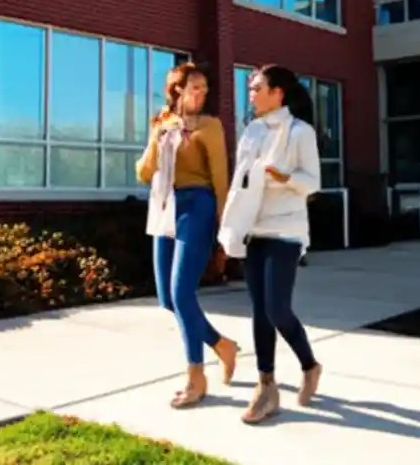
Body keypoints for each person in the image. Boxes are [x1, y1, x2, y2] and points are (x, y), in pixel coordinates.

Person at [136, 62, 240, 409]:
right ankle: (221, 343)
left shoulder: (211, 126)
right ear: (178, 89)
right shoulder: (160, 123)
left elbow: (220, 178)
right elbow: (144, 172)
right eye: (195, 87)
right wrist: (157, 137)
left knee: (182, 293)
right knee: (167, 298)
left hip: (197, 205)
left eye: (205, 88)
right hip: (164, 207)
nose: (202, 93)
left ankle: (196, 377)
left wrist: (225, 227)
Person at [232, 64, 323, 425]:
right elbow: (240, 180)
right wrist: (232, 224)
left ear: (278, 93)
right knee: (258, 311)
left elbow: (312, 181)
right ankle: (266, 387)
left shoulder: (301, 132)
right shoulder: (251, 131)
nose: (251, 94)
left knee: (276, 309)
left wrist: (283, 178)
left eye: (257, 88)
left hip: (286, 231)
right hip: (254, 228)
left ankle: (310, 365)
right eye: (251, 89)